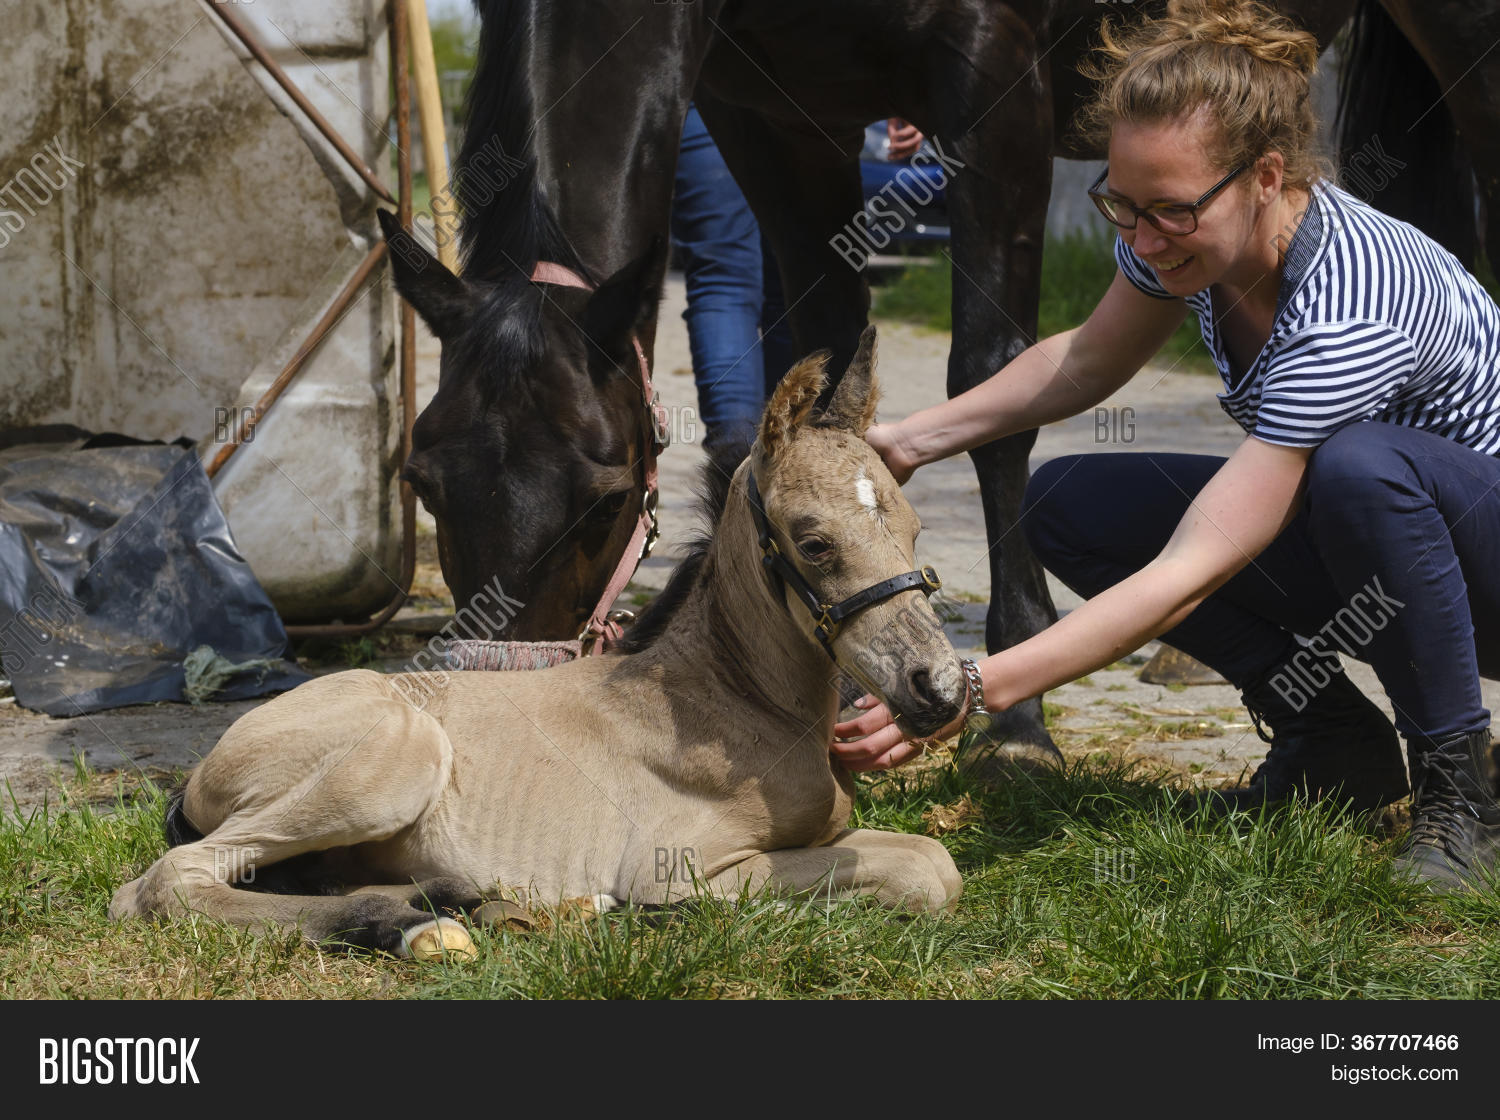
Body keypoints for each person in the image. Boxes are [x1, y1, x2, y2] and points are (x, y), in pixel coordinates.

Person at [831, 0, 1500, 894]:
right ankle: (1332, 742)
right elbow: (1083, 361)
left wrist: (968, 685)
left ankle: (1462, 794)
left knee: (1361, 468)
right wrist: (909, 440)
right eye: (1122, 206)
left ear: (1267, 175)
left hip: (1479, 577)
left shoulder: (1351, 301)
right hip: (1391, 551)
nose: (1142, 241)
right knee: (1065, 505)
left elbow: (1195, 565)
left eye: (1169, 212)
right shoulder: (1190, 233)